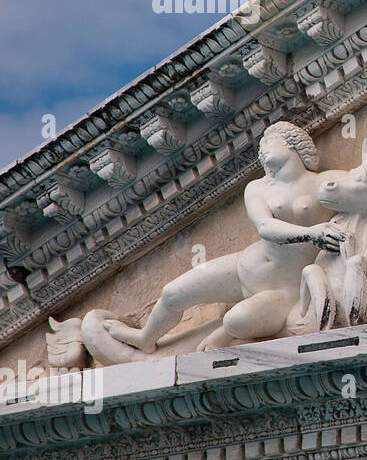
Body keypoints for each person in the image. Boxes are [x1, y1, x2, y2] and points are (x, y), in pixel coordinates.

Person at [105, 122, 349, 352]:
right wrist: (310, 233)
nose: (262, 151)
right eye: (260, 147)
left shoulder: (324, 182)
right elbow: (265, 226)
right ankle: (146, 338)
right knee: (171, 293)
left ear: (291, 142)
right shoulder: (258, 188)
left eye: (269, 142)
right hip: (246, 267)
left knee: (236, 320)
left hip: (284, 289)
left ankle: (226, 332)